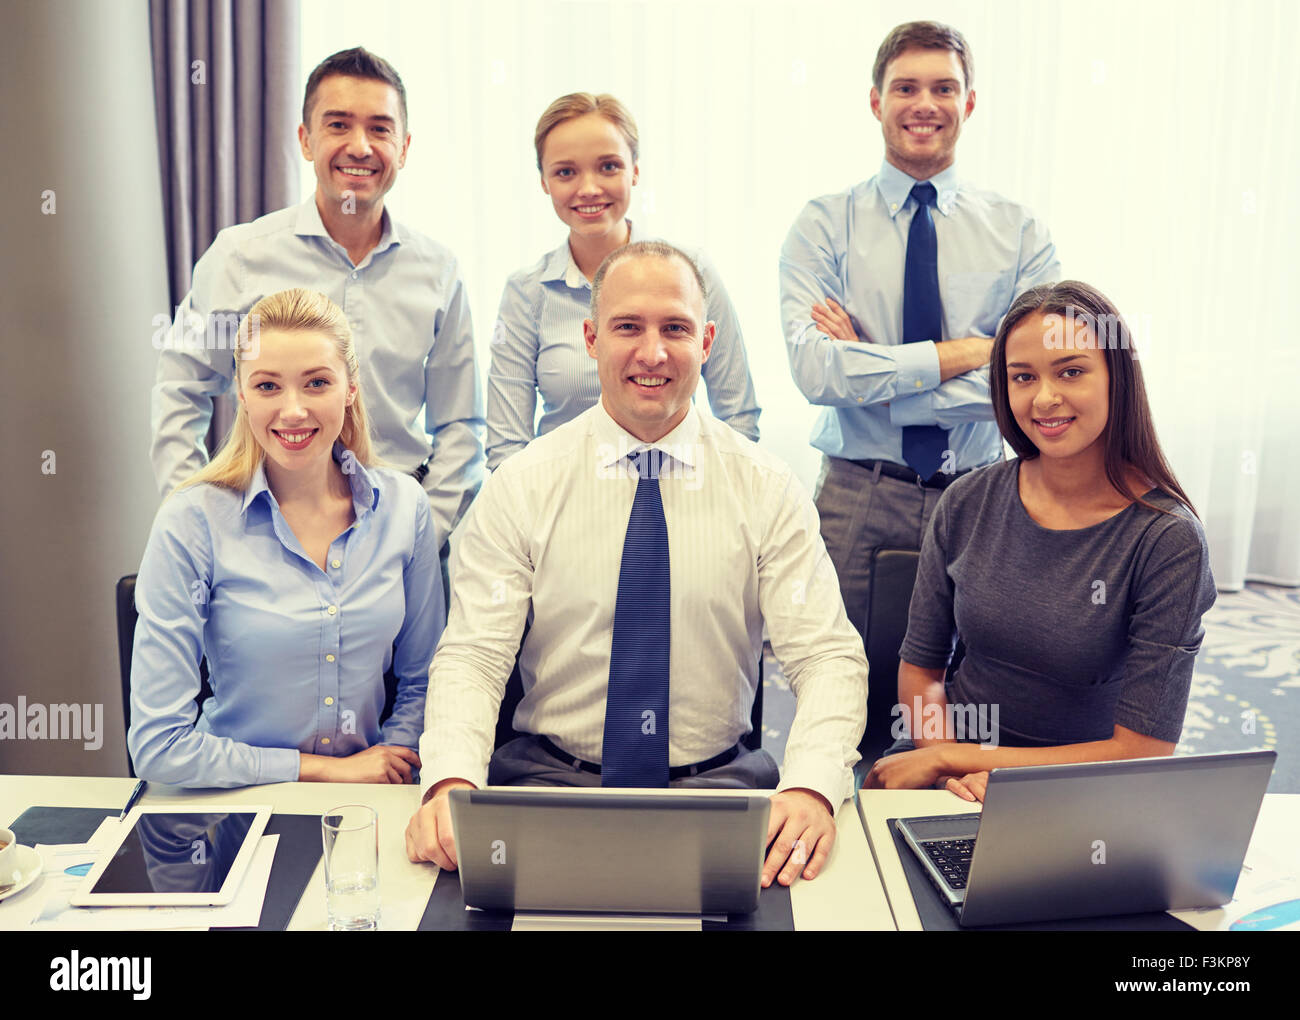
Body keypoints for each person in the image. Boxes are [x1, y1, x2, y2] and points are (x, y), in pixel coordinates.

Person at [406, 242, 866, 888]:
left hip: (723, 795)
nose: (653, 353)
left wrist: (814, 787)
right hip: (547, 787)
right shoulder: (522, 485)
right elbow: (475, 658)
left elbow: (828, 659)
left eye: (675, 328)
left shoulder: (766, 487)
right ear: (592, 338)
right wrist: (451, 780)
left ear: (706, 342)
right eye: (628, 327)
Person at [865, 281, 1215, 801]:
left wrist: (963, 760)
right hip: (944, 761)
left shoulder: (1167, 538)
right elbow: (922, 668)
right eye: (1023, 377)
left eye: (1071, 371)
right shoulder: (967, 500)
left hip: (1075, 785)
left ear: (1117, 378)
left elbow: (1142, 749)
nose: (1045, 397)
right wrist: (945, 764)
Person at [778, 21, 1060, 645]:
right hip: (857, 493)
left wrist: (873, 374)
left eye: (945, 88)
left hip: (982, 494)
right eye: (906, 87)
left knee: (971, 690)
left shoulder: (1020, 233)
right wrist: (977, 352)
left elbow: (1037, 387)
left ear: (970, 103)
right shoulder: (823, 226)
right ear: (876, 100)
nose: (925, 105)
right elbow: (817, 373)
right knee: (837, 681)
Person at [151, 47, 483, 560]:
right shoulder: (240, 257)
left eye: (380, 128)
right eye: (338, 125)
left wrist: (420, 535)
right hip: (265, 528)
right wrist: (199, 518)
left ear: (405, 146)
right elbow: (180, 389)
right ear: (305, 140)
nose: (360, 146)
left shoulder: (439, 273)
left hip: (400, 532)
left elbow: (462, 427)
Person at [130, 289, 444, 788]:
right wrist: (323, 771)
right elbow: (158, 747)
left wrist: (394, 757)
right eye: (268, 386)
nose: (293, 410)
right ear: (242, 395)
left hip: (366, 802)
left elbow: (426, 678)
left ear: (351, 389)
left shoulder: (405, 508)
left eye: (316, 382)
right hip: (233, 801)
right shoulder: (191, 521)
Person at [486, 92, 760, 470]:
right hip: (563, 502)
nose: (589, 188)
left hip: (680, 491)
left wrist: (715, 504)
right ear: (544, 181)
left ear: (635, 170)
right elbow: (507, 448)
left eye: (608, 167)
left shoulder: (691, 273)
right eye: (566, 171)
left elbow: (738, 417)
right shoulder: (527, 292)